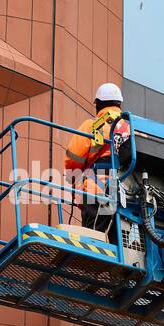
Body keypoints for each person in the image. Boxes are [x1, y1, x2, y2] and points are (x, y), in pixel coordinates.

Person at [64, 83, 131, 231]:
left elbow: (73, 159)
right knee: (119, 240)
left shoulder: (93, 125)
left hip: (97, 189)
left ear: (98, 104)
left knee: (94, 237)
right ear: (119, 104)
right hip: (128, 194)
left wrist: (74, 180)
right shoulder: (130, 128)